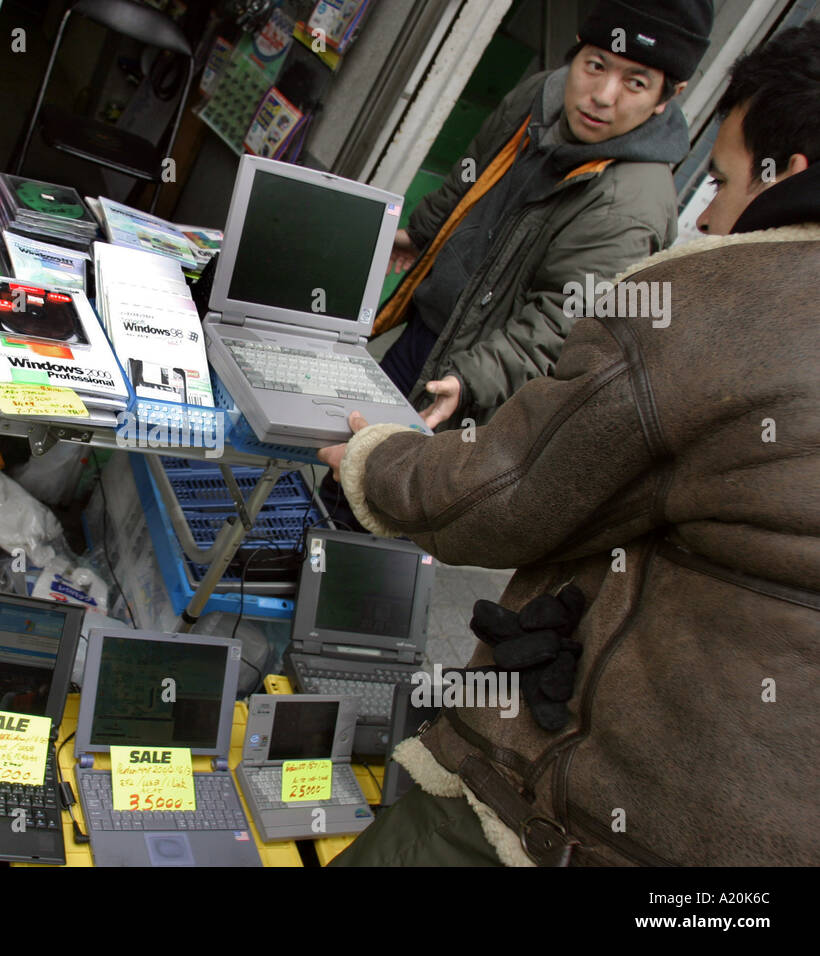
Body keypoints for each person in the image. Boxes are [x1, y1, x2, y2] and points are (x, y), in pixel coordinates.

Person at [317, 19, 820, 866]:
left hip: (580, 813)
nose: (709, 211)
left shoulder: (708, 295)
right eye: (595, 65)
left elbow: (506, 491)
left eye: (726, 182)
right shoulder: (533, 107)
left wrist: (380, 461)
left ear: (787, 178)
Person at [321, 0, 715, 527]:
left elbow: (561, 324)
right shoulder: (540, 97)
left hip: (483, 394)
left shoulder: (632, 203)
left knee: (395, 510)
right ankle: (300, 562)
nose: (602, 96)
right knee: (345, 471)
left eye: (636, 83)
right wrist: (423, 233)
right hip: (427, 336)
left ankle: (330, 589)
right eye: (595, 65)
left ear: (670, 98)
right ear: (576, 50)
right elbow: (471, 174)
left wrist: (473, 382)